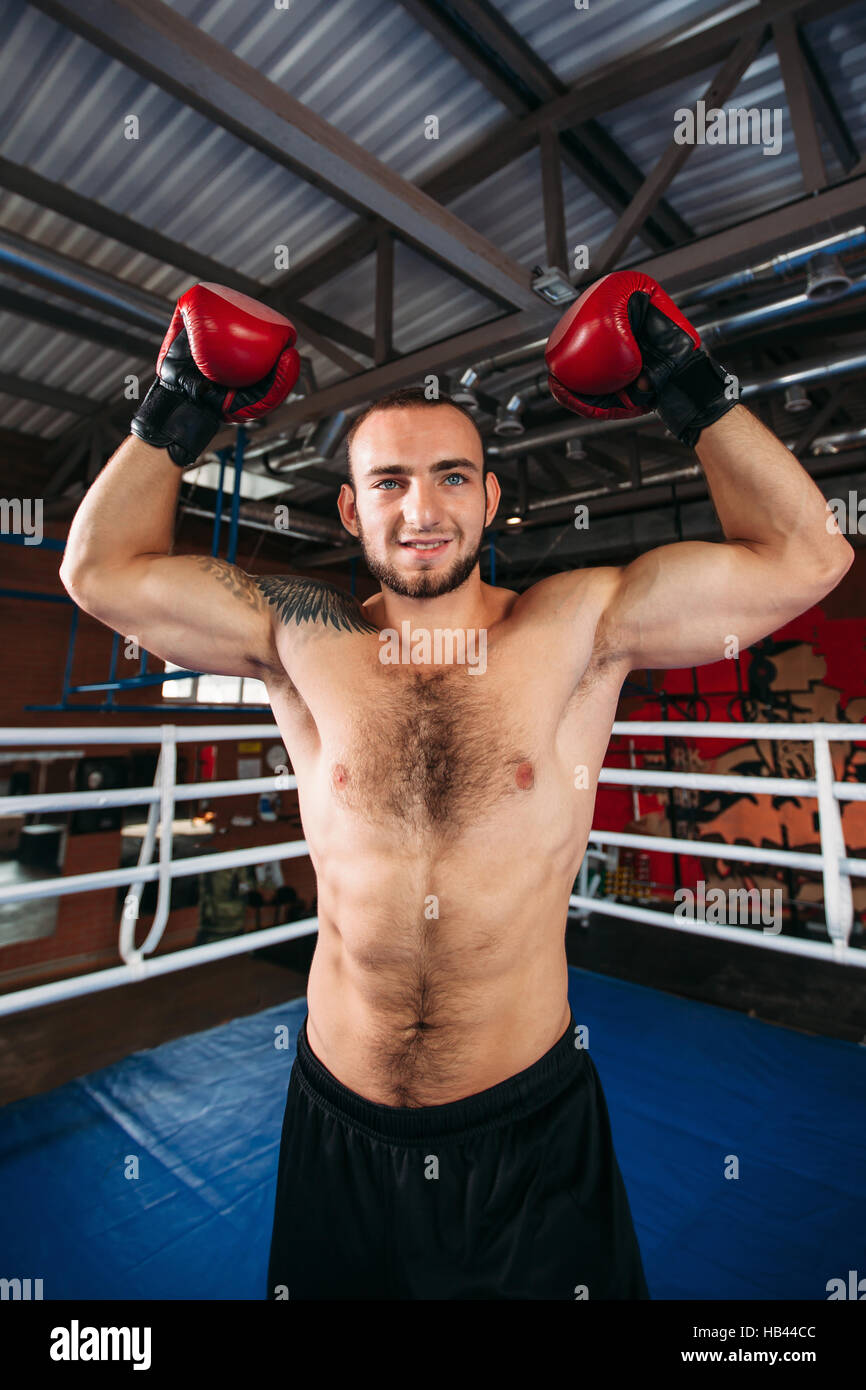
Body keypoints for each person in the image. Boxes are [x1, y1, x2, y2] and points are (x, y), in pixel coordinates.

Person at [59, 275, 853, 1300]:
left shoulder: (576, 623)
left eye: (448, 477)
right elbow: (99, 572)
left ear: (489, 495)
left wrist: (678, 374)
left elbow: (805, 555)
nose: (420, 509)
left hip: (526, 1135)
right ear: (350, 508)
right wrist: (180, 400)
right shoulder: (299, 631)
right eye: (387, 482)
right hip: (334, 1125)